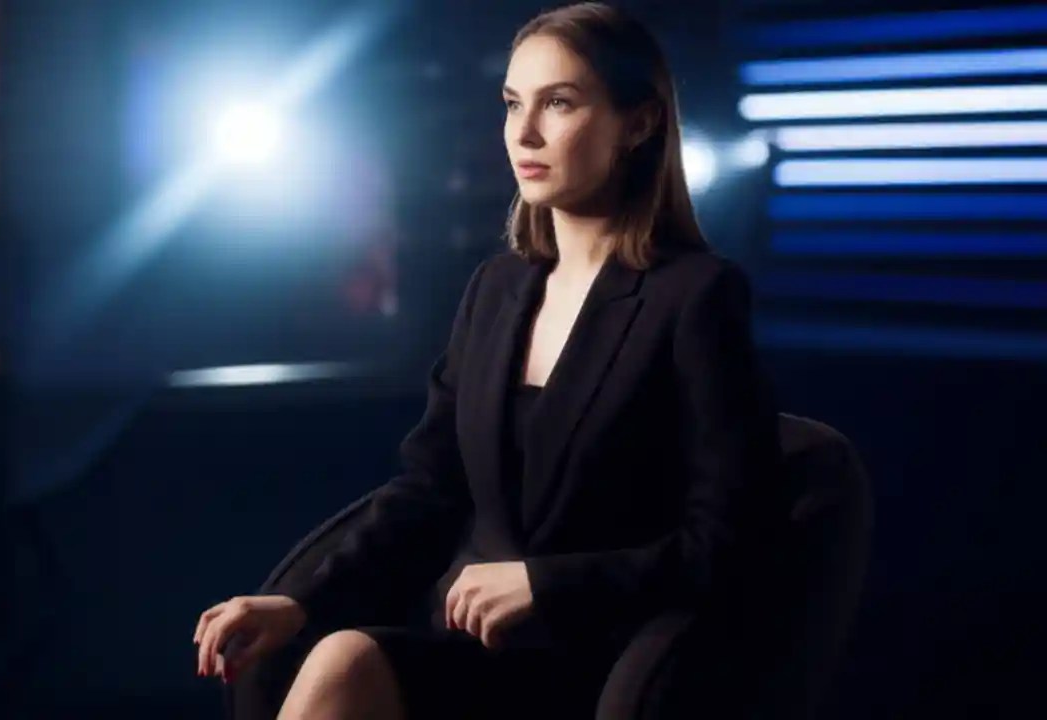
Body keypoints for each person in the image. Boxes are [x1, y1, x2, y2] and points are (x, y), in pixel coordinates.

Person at [193, 2, 785, 717]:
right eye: (513, 104)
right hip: (464, 645)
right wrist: (299, 601)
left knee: (348, 660)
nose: (524, 133)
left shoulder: (696, 297)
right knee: (337, 651)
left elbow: (729, 545)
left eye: (559, 103)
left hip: (600, 664)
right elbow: (429, 490)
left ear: (640, 122)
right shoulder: (498, 287)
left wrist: (545, 584)